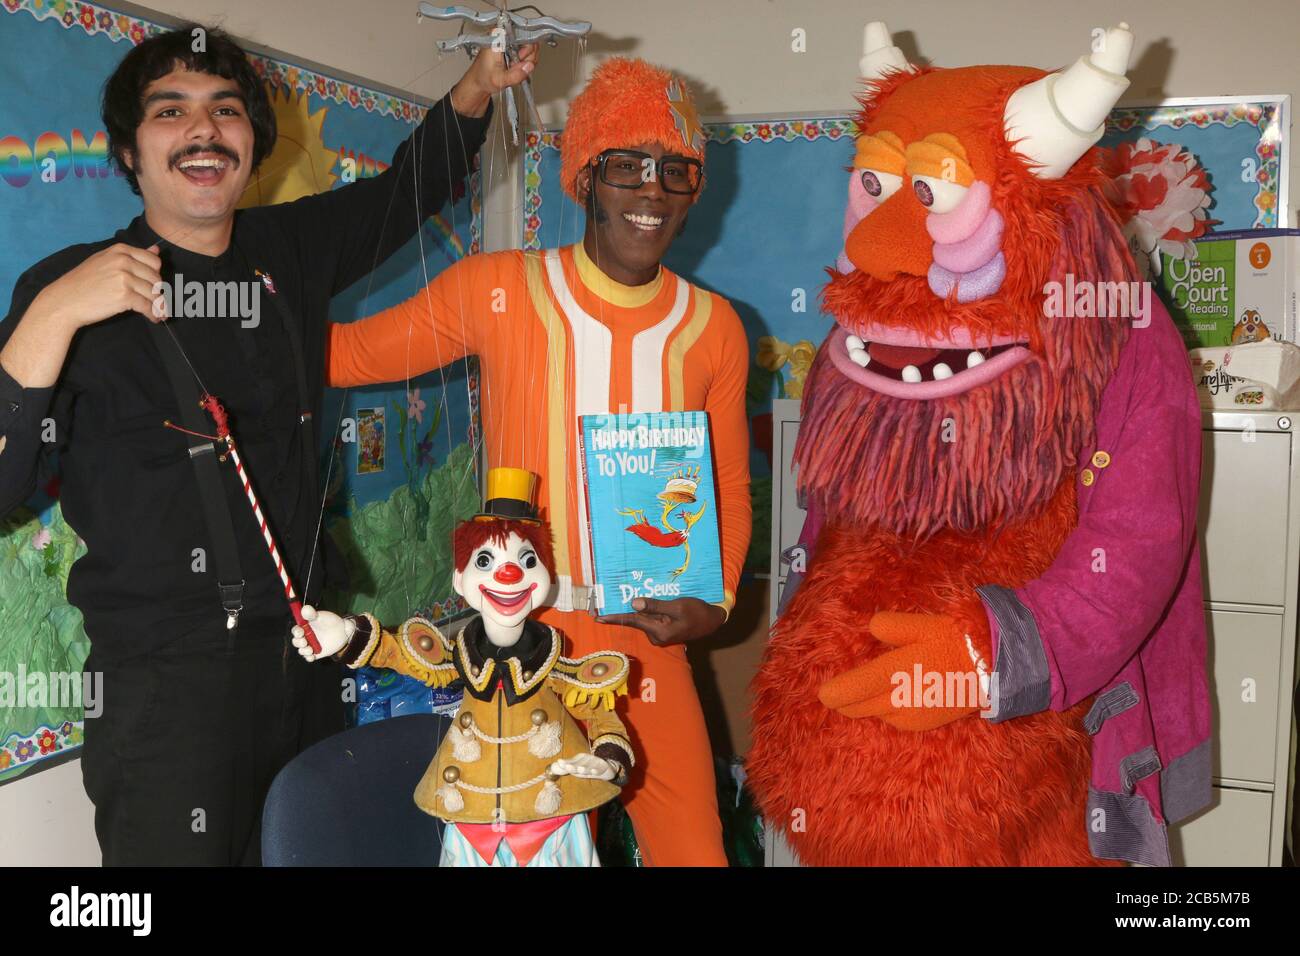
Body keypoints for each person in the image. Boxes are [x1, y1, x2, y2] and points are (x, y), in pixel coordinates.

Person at [0, 23, 535, 865]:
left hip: (303, 658)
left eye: (226, 110)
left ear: (251, 141)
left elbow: (406, 194)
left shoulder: (287, 250)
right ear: (130, 153)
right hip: (164, 693)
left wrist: (477, 86)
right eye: (170, 111)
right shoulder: (64, 288)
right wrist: (54, 314)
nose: (203, 129)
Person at [327, 58, 751, 866]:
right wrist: (224, 295)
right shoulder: (499, 288)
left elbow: (728, 482)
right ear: (585, 178)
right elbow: (347, 356)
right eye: (626, 166)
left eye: (676, 171)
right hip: (527, 645)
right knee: (540, 857)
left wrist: (719, 602)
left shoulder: (715, 327)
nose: (651, 192)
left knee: (696, 851)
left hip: (651, 641)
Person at [292, 467, 635, 867]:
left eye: (526, 560)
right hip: (470, 821)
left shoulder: (558, 671)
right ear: (460, 580)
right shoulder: (457, 659)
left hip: (552, 823)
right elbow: (396, 653)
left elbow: (598, 715)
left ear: (544, 578)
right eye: (486, 560)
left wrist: (607, 761)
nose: (509, 575)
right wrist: (346, 633)